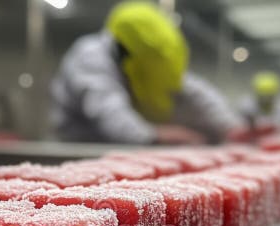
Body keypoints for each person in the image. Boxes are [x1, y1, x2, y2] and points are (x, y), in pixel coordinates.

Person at [49, 1, 244, 145]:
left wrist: (231, 127)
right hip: (80, 149)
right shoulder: (90, 56)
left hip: (126, 151)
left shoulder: (150, 59)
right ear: (125, 51)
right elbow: (108, 109)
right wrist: (154, 135)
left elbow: (192, 90)